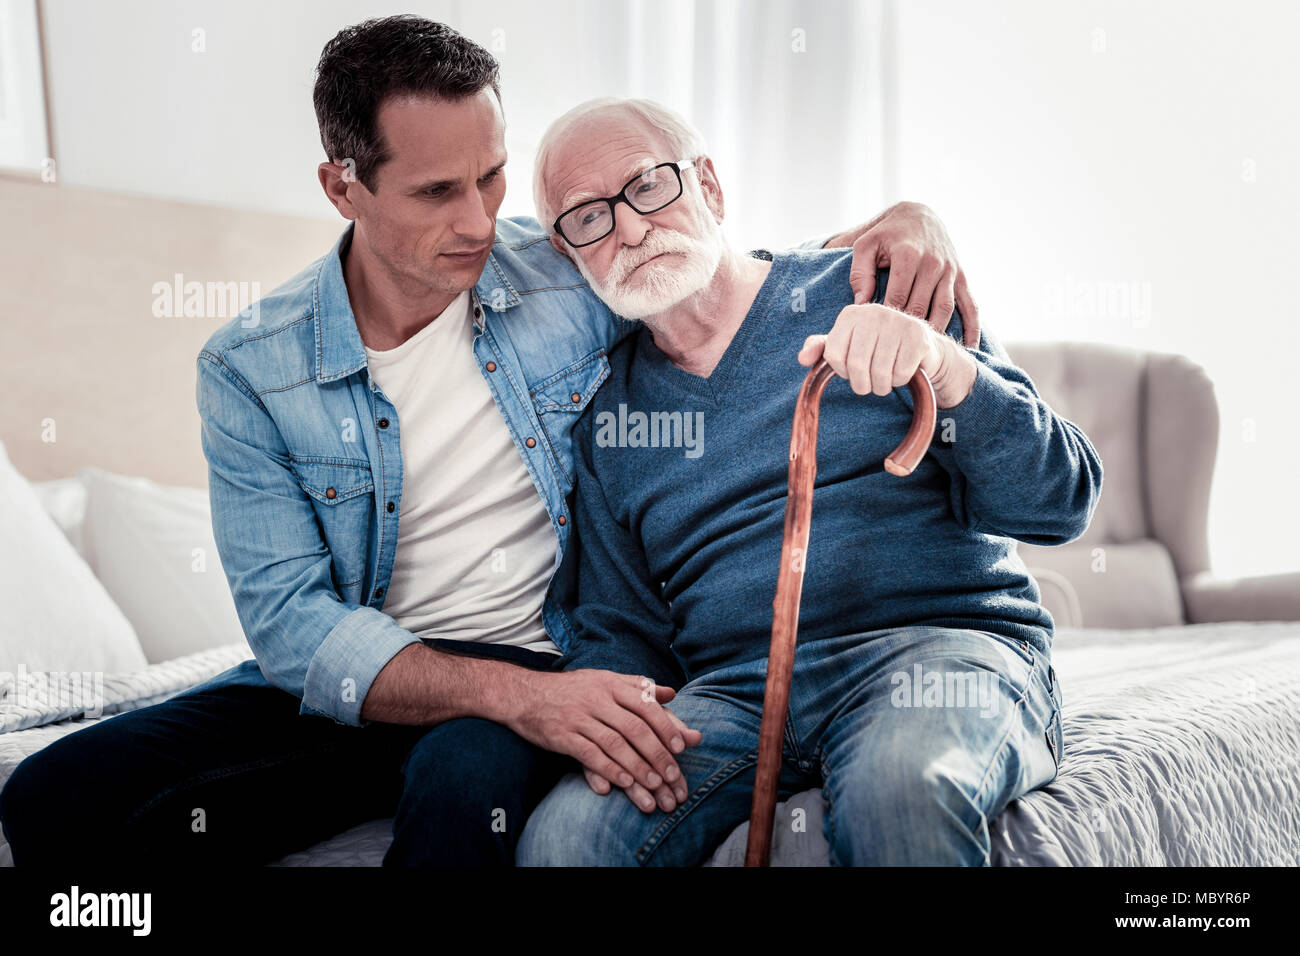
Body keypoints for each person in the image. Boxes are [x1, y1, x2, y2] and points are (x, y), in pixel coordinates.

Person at [1, 17, 982, 867]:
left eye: (491, 175)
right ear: (342, 188)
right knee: (51, 794)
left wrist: (904, 220)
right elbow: (294, 626)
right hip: (369, 674)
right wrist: (512, 700)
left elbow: (718, 267)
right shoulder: (253, 368)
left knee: (463, 802)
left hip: (560, 656)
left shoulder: (565, 263)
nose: (479, 220)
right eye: (436, 193)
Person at [516, 98, 1102, 865]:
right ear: (570, 256)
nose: (627, 227)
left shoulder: (877, 286)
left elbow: (1061, 503)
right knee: (565, 841)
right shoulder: (605, 420)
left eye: (647, 186)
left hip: (936, 652)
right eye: (587, 218)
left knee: (904, 789)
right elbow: (622, 633)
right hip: (734, 695)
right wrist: (611, 721)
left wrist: (947, 367)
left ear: (709, 187)